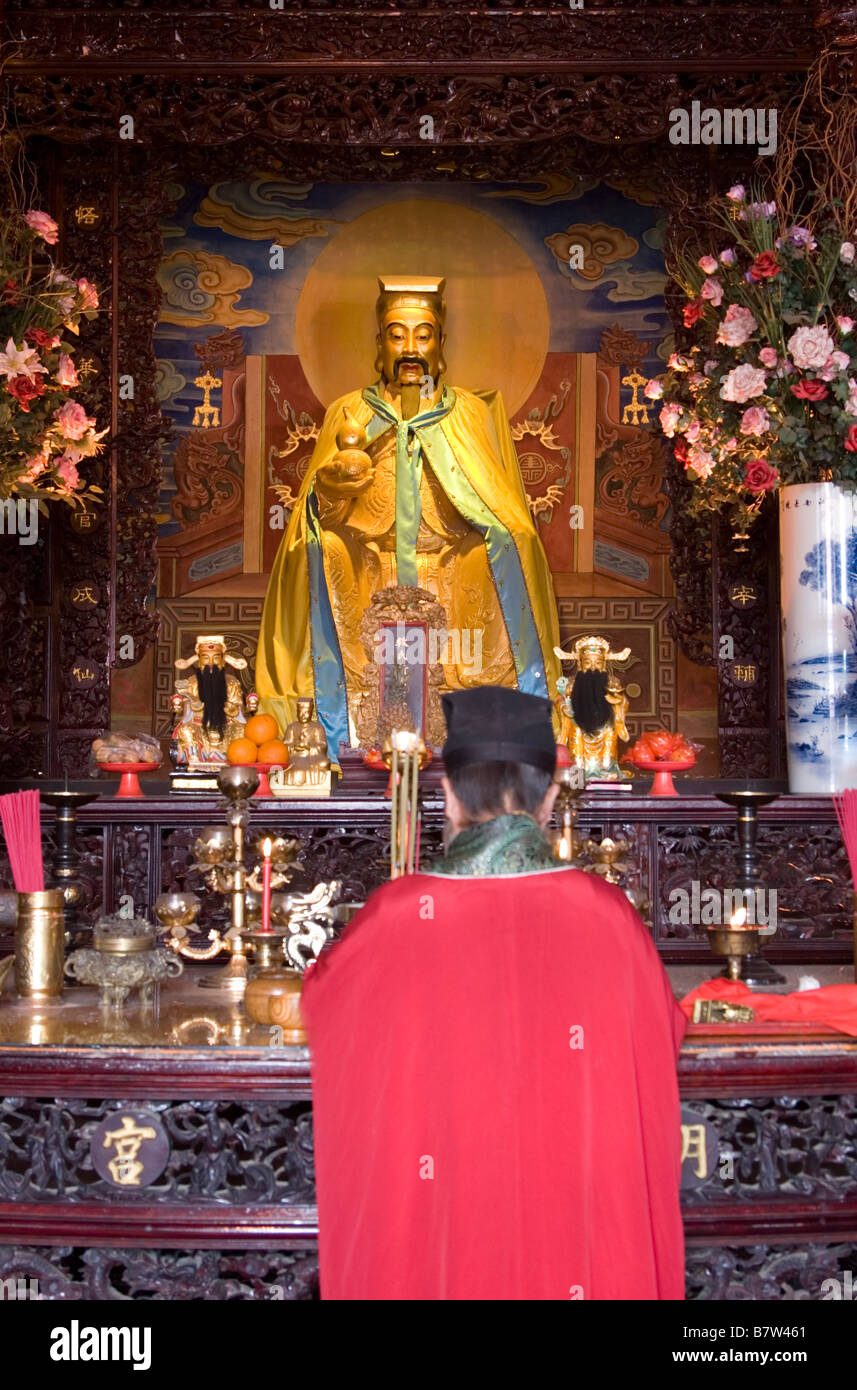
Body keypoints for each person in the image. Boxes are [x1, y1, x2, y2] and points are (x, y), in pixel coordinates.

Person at [301, 686, 686, 1300]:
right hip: (574, 1229)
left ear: (448, 795)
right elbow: (660, 1033)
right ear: (553, 797)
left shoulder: (397, 915)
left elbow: (325, 1008)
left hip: (446, 1225)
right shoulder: (608, 916)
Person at [255, 277, 561, 756]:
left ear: (441, 343)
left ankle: (493, 716)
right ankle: (334, 724)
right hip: (367, 565)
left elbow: (502, 508)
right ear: (380, 343)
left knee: (508, 545)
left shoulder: (467, 413)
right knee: (319, 546)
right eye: (398, 335)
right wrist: (333, 490)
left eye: (424, 334)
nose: (410, 347)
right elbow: (317, 516)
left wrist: (495, 533)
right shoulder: (350, 411)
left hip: (451, 562)